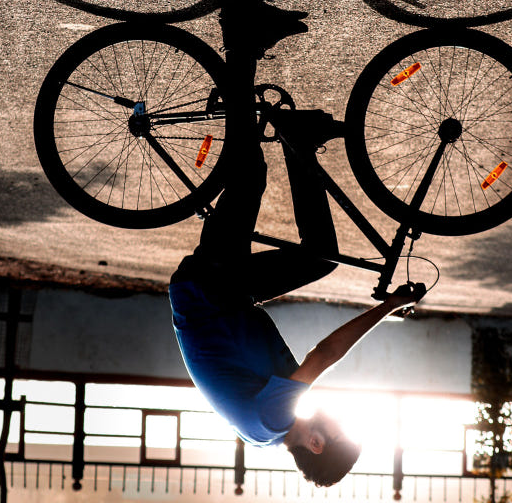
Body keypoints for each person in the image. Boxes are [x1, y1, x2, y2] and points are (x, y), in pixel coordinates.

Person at [168, 106, 423, 487]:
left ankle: (242, 83)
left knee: (249, 173)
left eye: (340, 429)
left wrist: (388, 306)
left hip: (209, 289)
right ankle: (296, 139)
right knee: (319, 256)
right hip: (227, 295)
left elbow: (324, 355)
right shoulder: (266, 434)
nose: (339, 417)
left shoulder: (272, 421)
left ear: (316, 444)